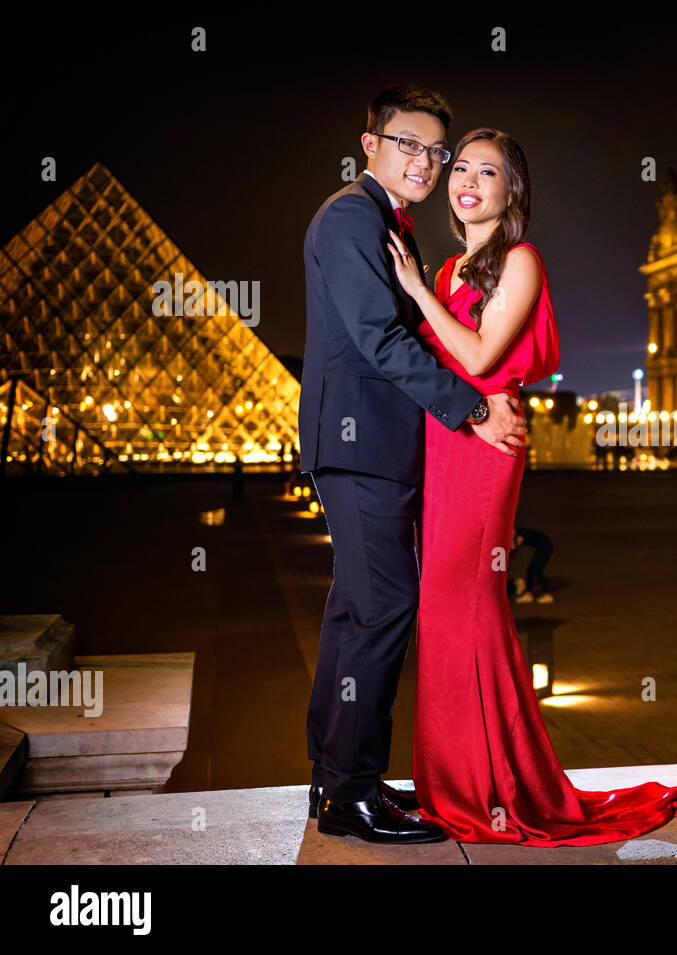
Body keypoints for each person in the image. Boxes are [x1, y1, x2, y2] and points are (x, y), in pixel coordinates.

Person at [388, 125, 677, 846]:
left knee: (471, 608)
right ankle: (453, 783)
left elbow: (480, 354)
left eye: (488, 172)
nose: (467, 180)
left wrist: (414, 290)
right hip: (448, 442)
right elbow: (431, 367)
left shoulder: (520, 261)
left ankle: (491, 789)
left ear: (512, 192)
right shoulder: (448, 271)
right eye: (461, 168)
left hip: (485, 452)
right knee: (441, 613)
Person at [299, 87, 528, 844]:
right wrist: (473, 408)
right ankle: (350, 792)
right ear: (370, 144)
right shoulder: (353, 218)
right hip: (361, 444)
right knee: (384, 608)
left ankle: (336, 776)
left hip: (371, 445)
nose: (425, 162)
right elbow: (380, 340)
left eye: (436, 150)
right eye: (408, 144)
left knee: (355, 610)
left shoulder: (386, 223)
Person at [511, 526, 554, 603]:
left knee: (535, 570)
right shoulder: (516, 533)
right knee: (532, 570)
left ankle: (546, 595)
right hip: (544, 547)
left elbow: (513, 546)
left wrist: (512, 544)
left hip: (544, 547)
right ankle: (530, 594)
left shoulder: (514, 533)